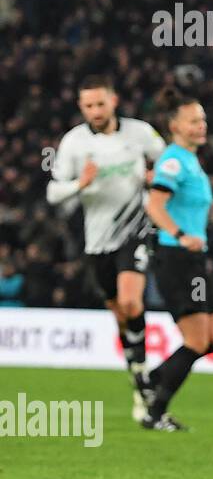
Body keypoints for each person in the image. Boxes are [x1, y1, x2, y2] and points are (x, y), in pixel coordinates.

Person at [46, 75, 165, 421]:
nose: (95, 111)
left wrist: (155, 178)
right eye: (88, 106)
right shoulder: (73, 143)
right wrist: (78, 185)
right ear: (81, 108)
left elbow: (168, 162)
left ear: (114, 101)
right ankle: (140, 378)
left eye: (100, 103)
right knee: (120, 314)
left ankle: (143, 381)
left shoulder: (140, 133)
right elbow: (53, 193)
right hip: (97, 239)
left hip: (135, 230)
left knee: (131, 301)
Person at [142, 89, 213, 431]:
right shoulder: (174, 160)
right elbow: (155, 206)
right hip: (176, 258)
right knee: (197, 340)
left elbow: (186, 203)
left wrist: (210, 213)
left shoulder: (191, 160)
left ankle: (153, 378)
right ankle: (155, 412)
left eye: (202, 119)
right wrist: (180, 235)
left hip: (194, 259)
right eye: (193, 120)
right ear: (174, 125)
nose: (200, 125)